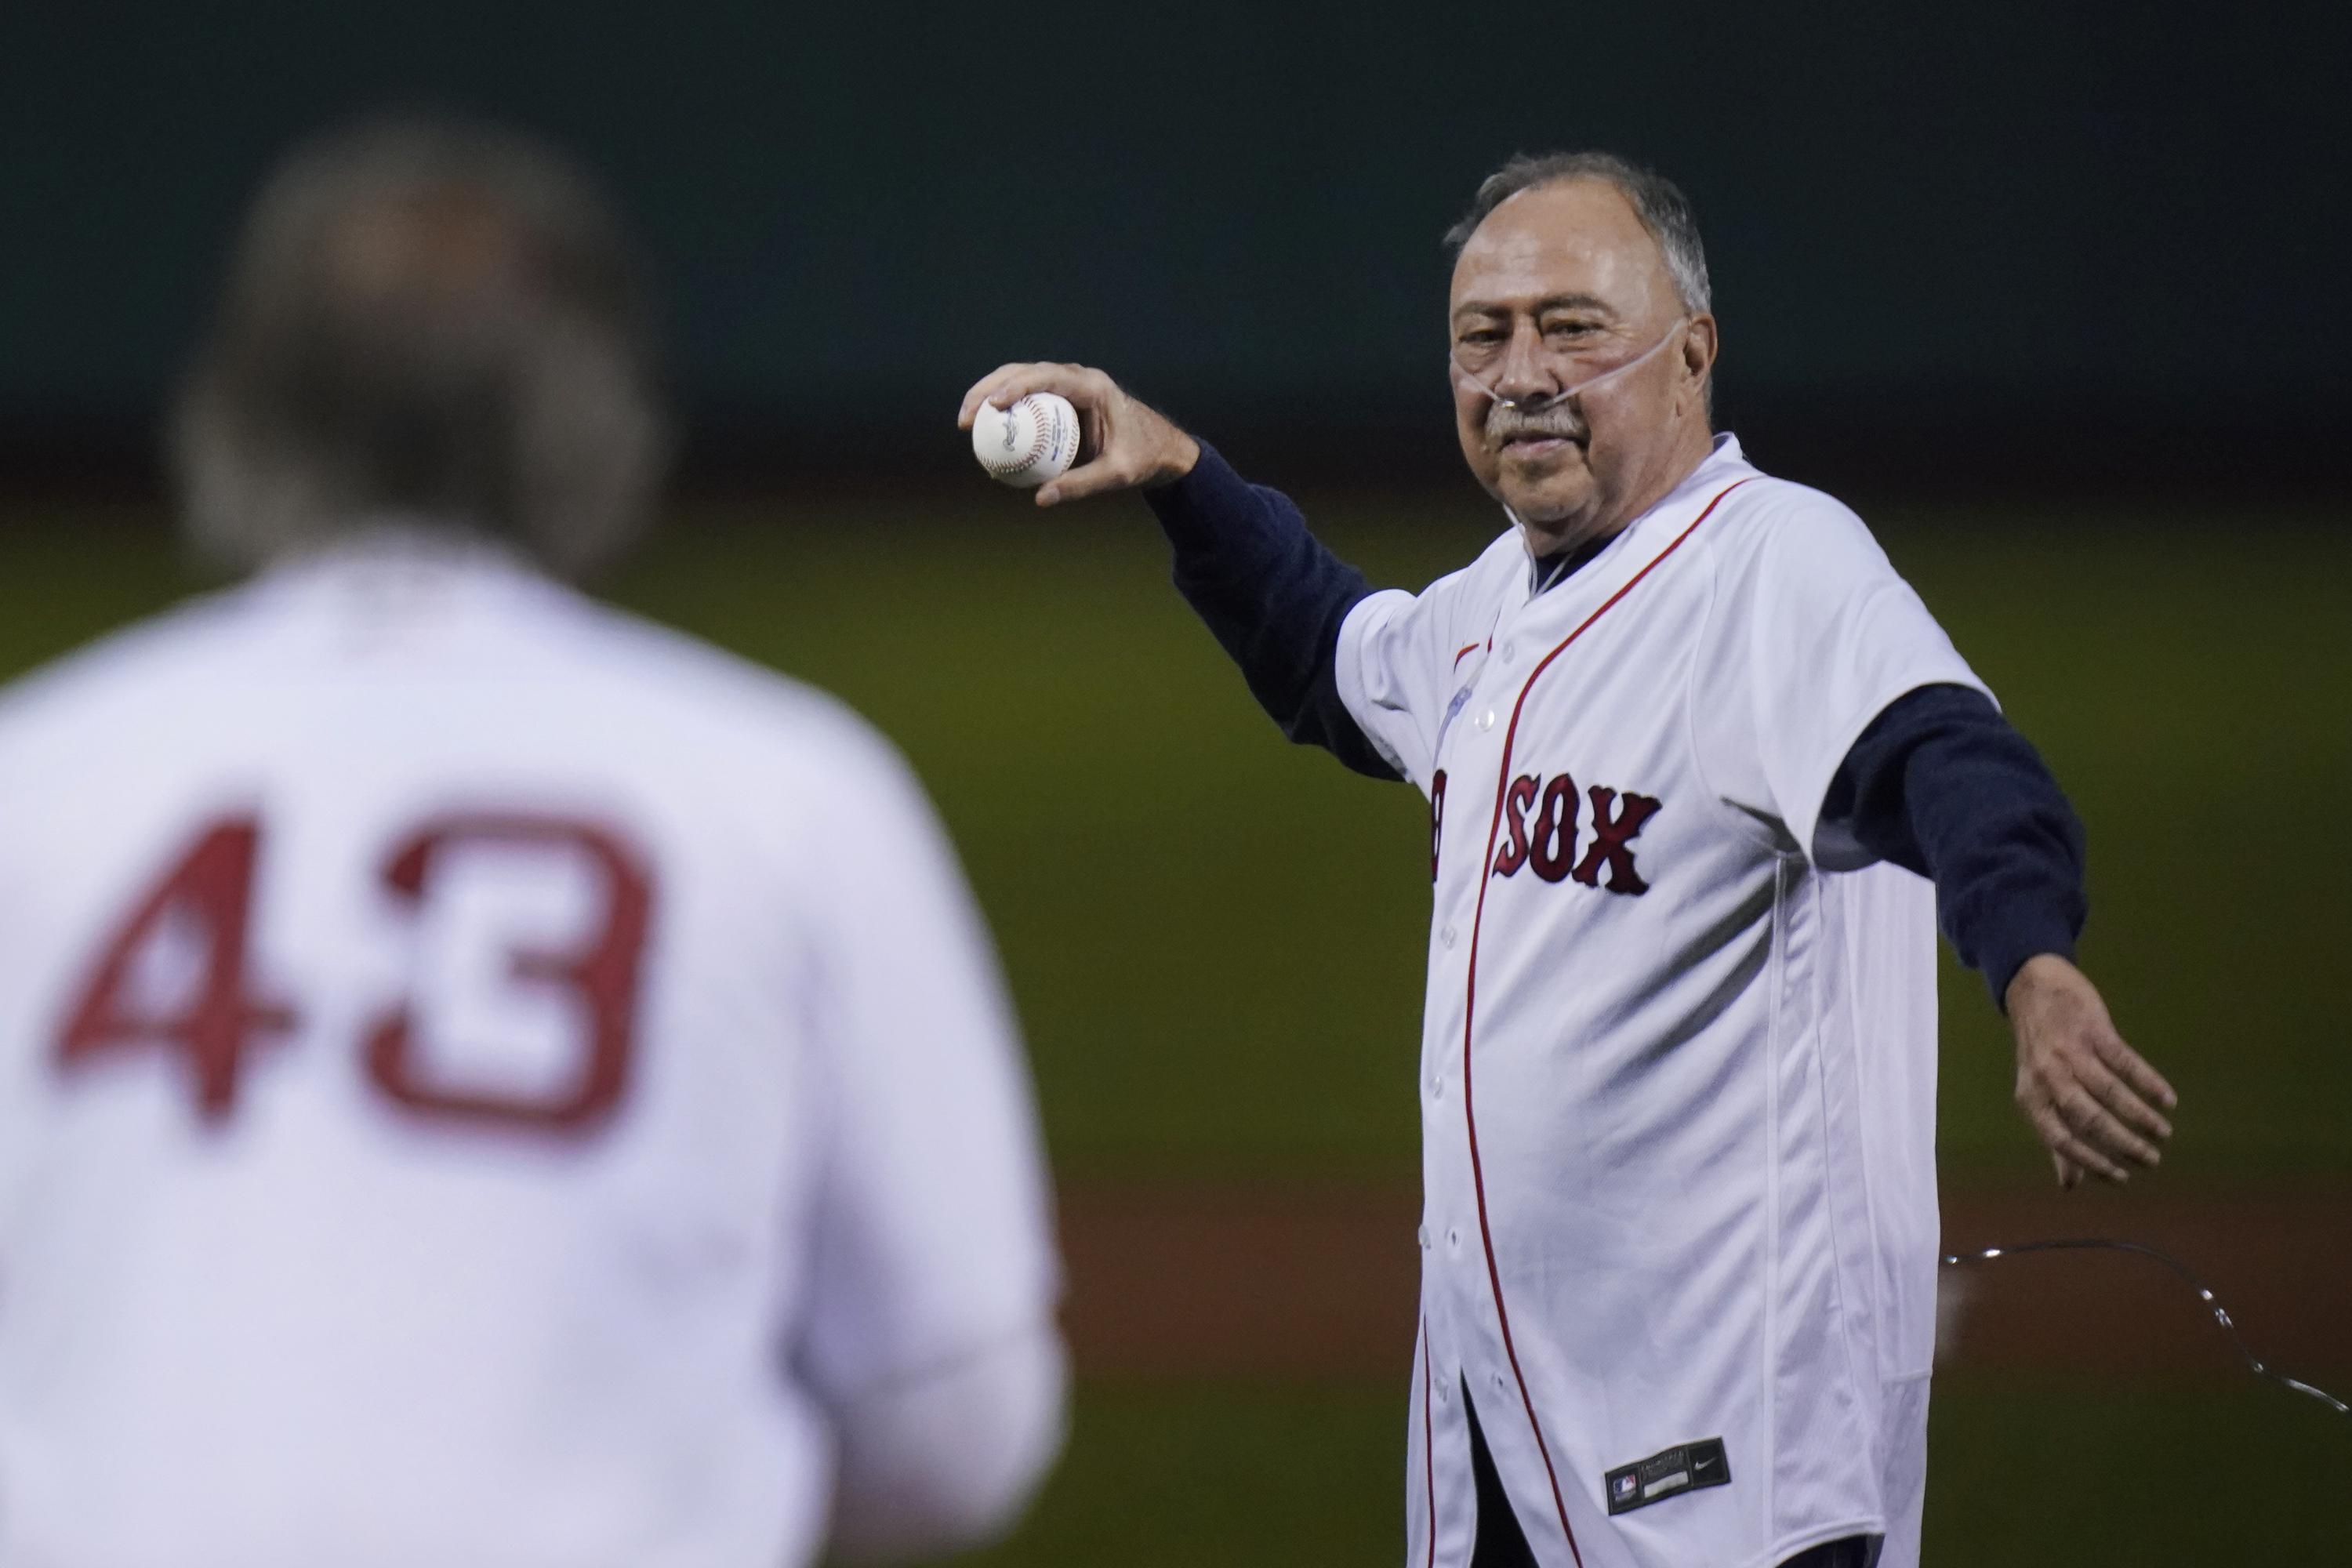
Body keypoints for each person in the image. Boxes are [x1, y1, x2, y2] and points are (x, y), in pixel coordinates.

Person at [957, 151, 2177, 1568]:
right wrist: (1176, 468)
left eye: (1572, 327)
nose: (1521, 374)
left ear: (1693, 354)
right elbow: (1328, 651)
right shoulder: (1501, 599)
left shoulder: (1775, 569)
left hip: (1731, 1464)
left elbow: (1947, 758)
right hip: (1519, 1424)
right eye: (1483, 335)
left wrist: (2033, 964)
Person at [0, 117, 1063, 1567]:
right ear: (597, 413)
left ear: (236, 402)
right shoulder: (785, 788)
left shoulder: (36, 767)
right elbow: (955, 1431)